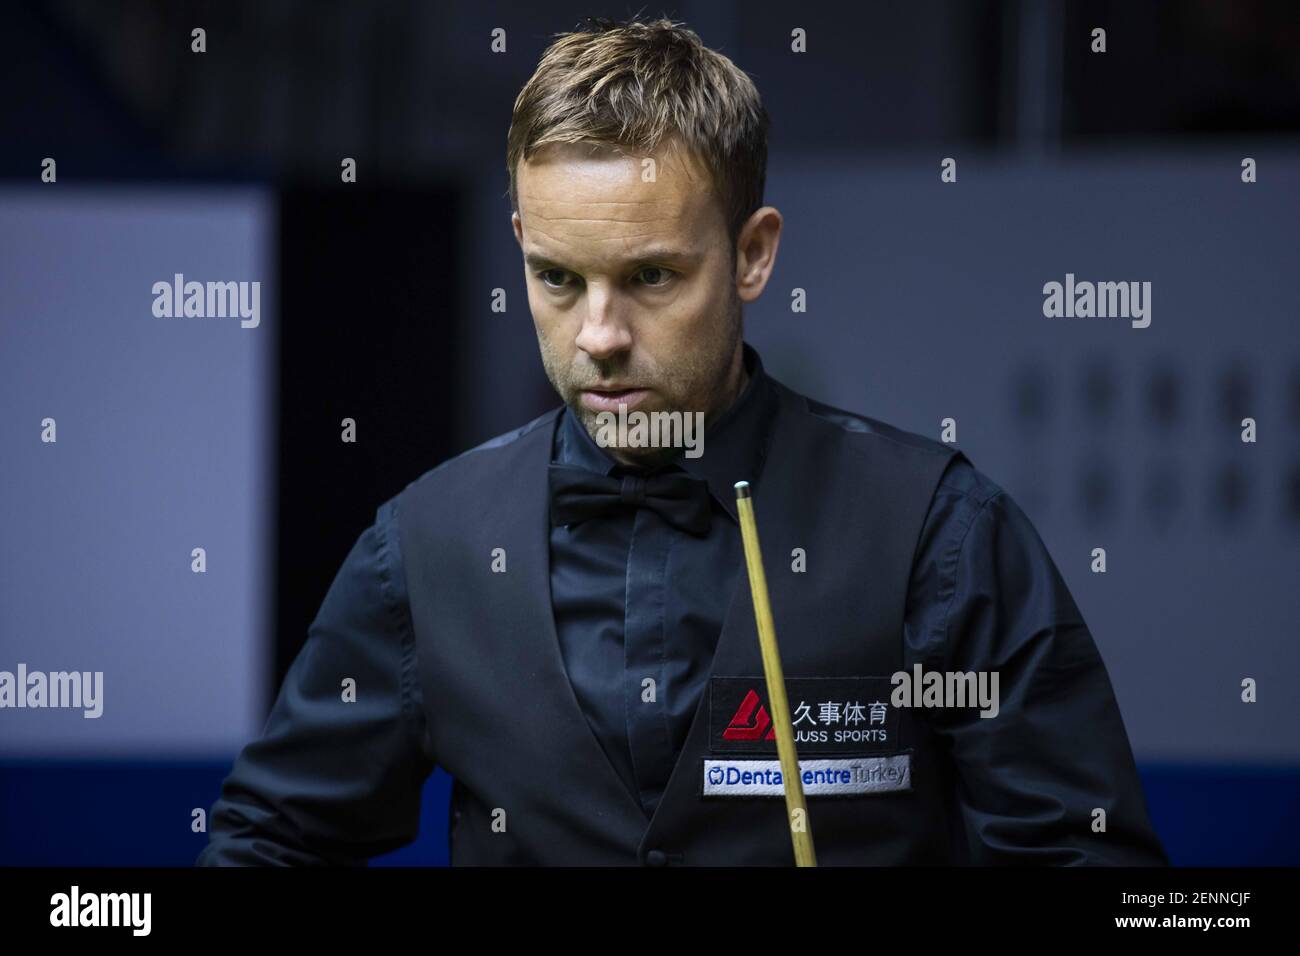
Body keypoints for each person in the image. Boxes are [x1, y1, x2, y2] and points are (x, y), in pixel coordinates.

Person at [198, 16, 1167, 866]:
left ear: (752, 254)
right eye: (557, 277)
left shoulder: (936, 535)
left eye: (651, 277)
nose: (598, 335)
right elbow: (273, 840)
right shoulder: (426, 544)